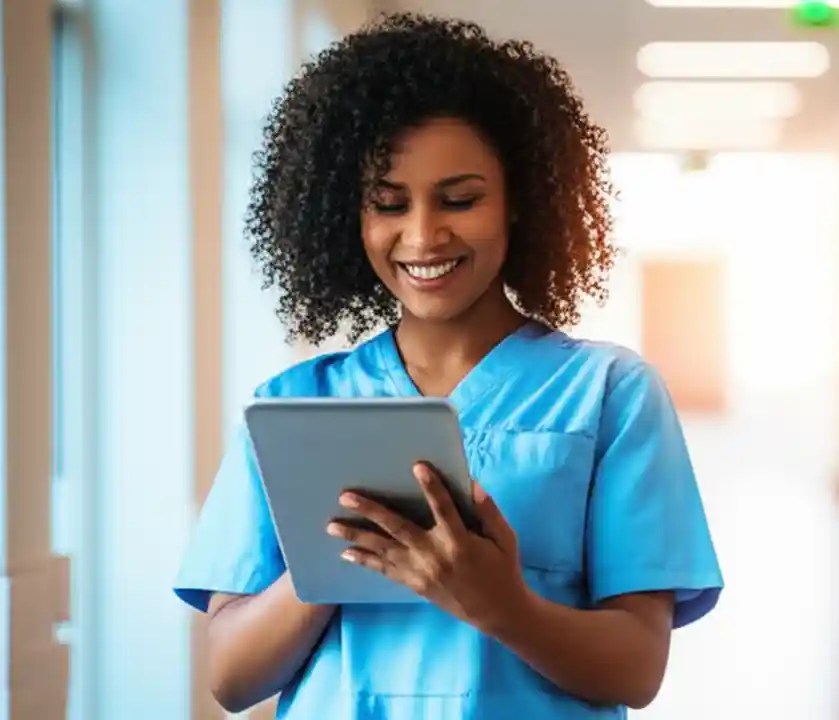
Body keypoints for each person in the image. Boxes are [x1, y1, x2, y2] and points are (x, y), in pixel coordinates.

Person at [172, 12, 723, 719]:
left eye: (460, 200)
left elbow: (637, 670)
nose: (423, 235)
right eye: (388, 204)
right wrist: (340, 555)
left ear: (521, 201)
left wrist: (502, 605)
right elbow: (230, 678)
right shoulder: (293, 404)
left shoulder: (610, 395)